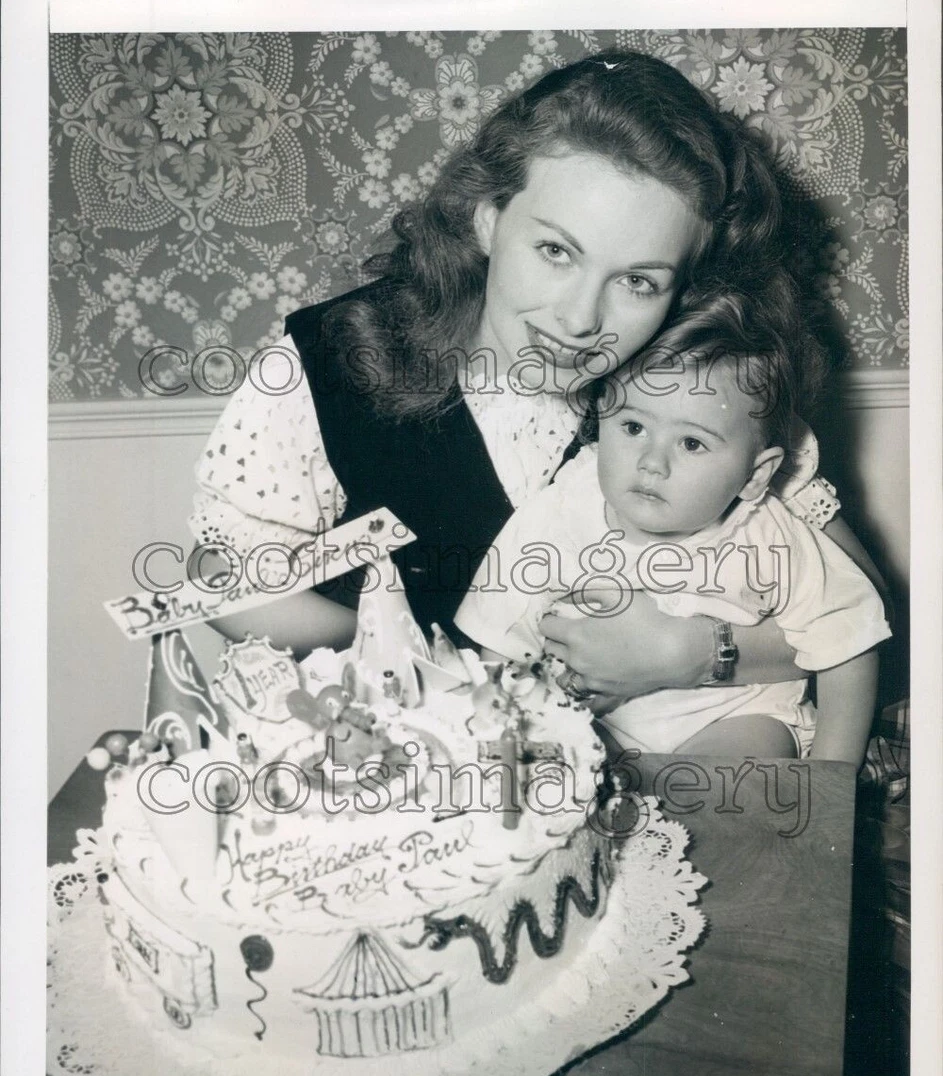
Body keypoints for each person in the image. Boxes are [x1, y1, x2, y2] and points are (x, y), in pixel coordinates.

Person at [189, 49, 884, 706]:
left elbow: (873, 611)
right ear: (487, 220)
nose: (580, 318)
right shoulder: (326, 359)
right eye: (555, 250)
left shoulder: (698, 385)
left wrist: (697, 652)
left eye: (637, 281)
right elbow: (225, 584)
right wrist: (418, 660)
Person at [454, 296, 891, 768]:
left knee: (730, 777)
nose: (652, 462)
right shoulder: (562, 511)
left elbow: (852, 636)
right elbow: (497, 639)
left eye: (691, 442)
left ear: (755, 475)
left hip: (734, 717)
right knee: (559, 776)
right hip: (594, 722)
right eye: (634, 426)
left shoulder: (769, 533)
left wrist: (830, 780)